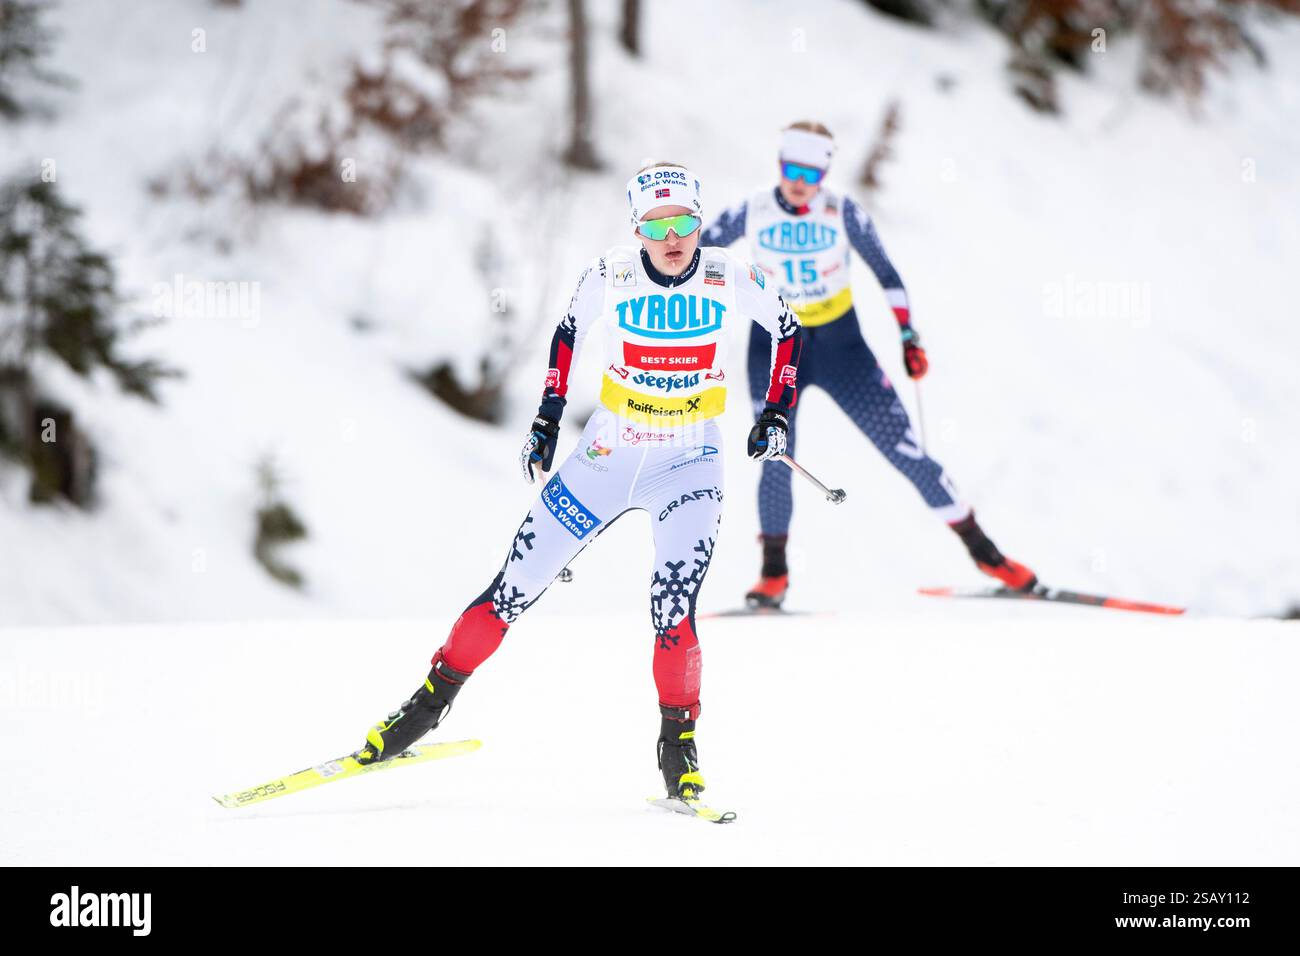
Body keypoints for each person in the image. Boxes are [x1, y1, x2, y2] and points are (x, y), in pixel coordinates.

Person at [354, 162, 803, 803]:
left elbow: (788, 329)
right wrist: (546, 420)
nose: (673, 236)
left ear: (699, 223)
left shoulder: (728, 273)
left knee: (673, 607)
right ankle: (429, 703)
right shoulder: (610, 274)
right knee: (515, 584)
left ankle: (679, 745)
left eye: (684, 222)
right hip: (607, 456)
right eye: (657, 224)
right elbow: (568, 335)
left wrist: (776, 413)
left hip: (690, 462)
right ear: (638, 228)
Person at [701, 121, 1036, 609]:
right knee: (776, 456)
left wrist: (907, 334)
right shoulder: (750, 210)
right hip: (774, 347)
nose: (799, 182)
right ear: (779, 164)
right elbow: (694, 256)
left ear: (825, 172)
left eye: (811, 173)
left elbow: (888, 274)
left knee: (905, 451)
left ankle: (987, 553)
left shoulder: (842, 211)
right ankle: (773, 573)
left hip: (841, 347)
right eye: (791, 168)